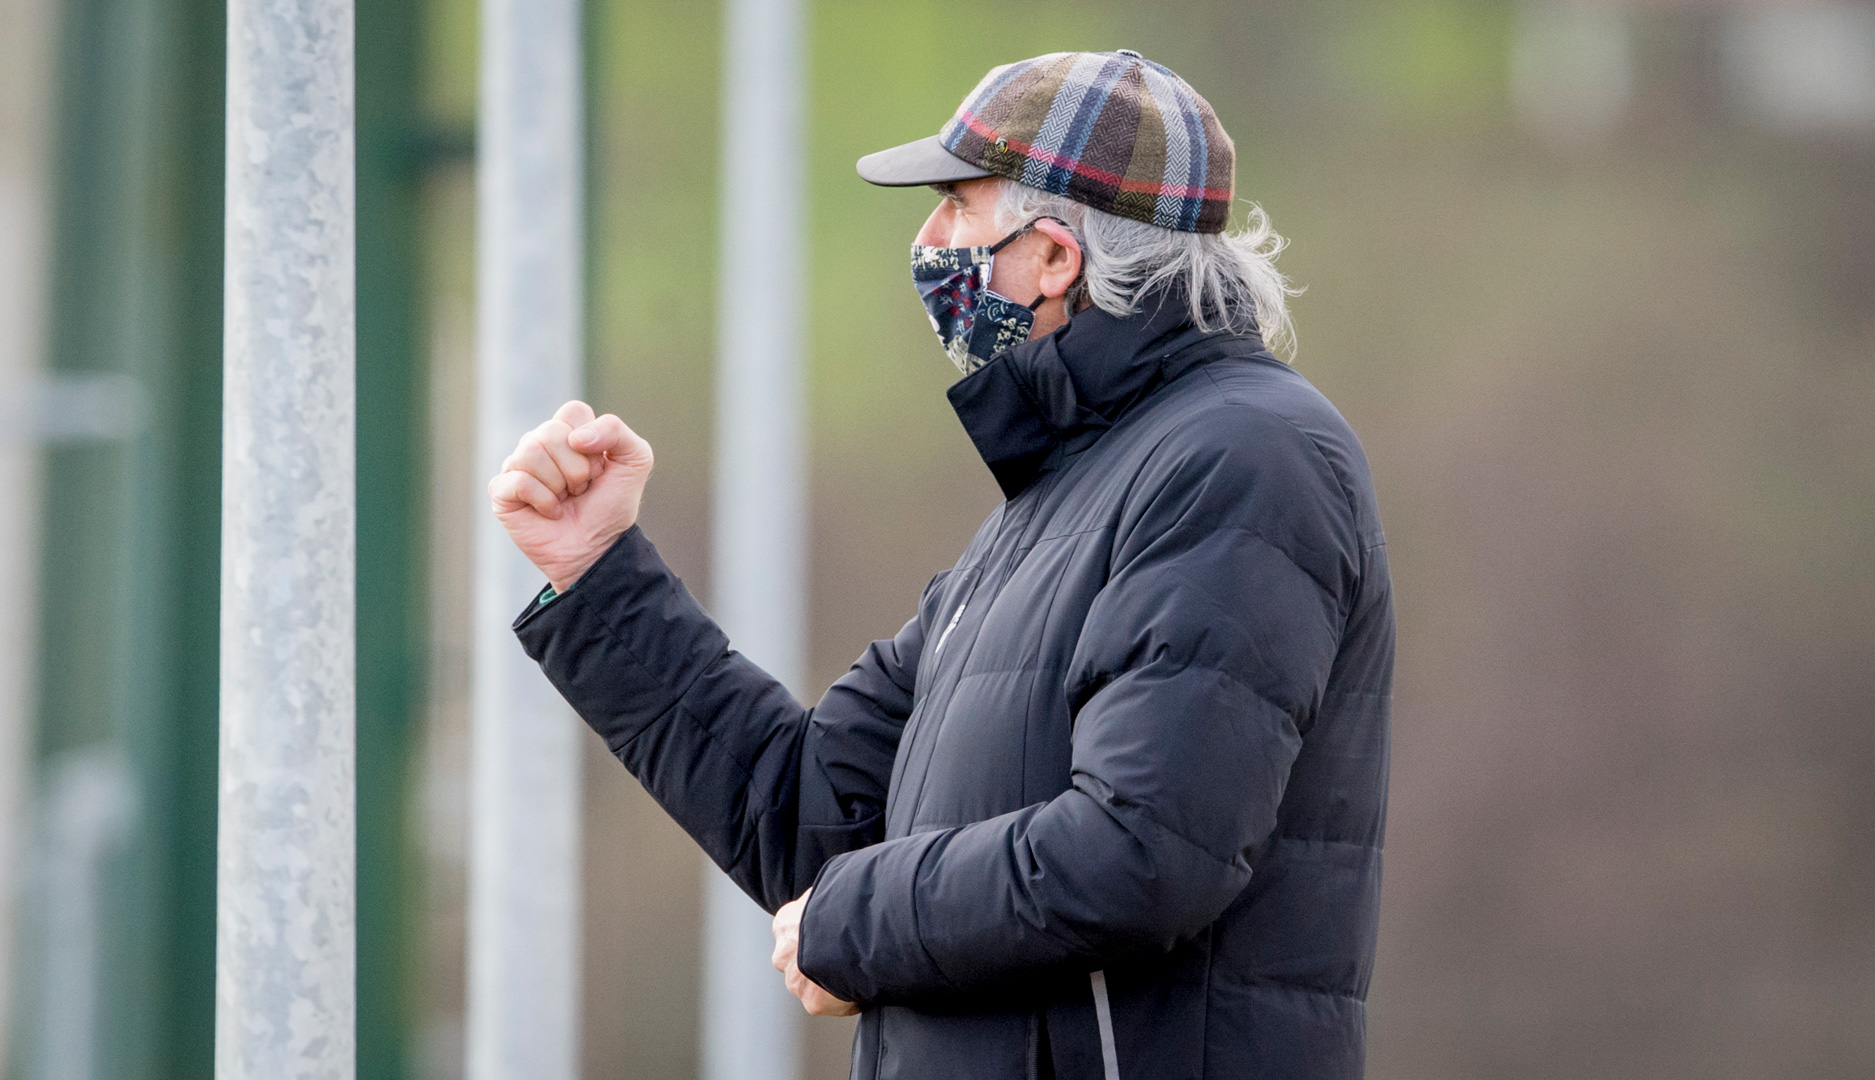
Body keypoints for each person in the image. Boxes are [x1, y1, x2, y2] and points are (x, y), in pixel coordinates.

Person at [491, 50, 1393, 1080]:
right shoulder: (1057, 502)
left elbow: (1146, 852)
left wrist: (854, 926)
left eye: (956, 208)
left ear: (1055, 257)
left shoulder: (1244, 458)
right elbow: (811, 818)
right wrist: (600, 574)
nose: (927, 243)